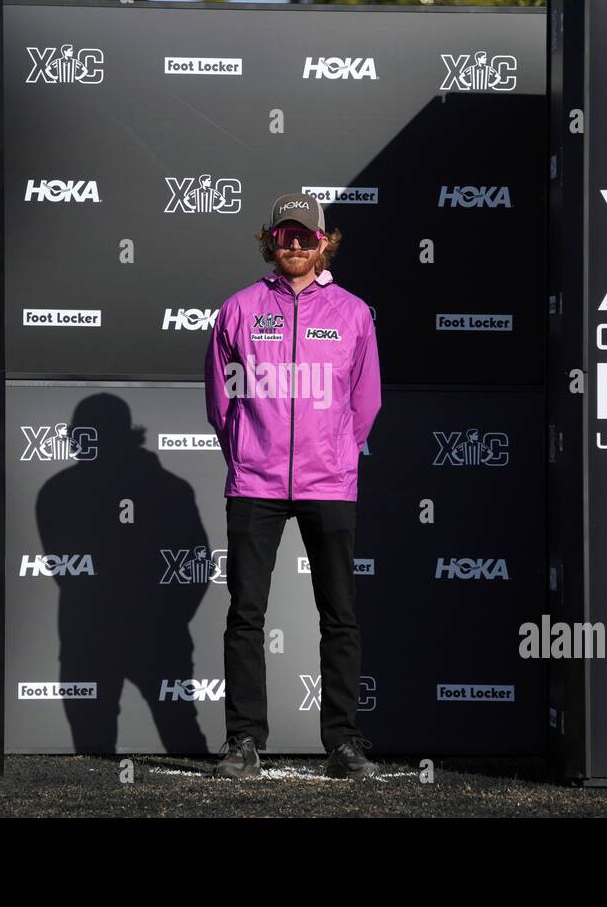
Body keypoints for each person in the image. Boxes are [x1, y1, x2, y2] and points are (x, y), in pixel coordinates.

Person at [204, 192, 382, 779]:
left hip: (328, 484)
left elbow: (365, 403)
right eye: (286, 236)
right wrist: (249, 452)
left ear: (324, 242)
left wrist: (334, 455)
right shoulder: (238, 310)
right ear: (270, 241)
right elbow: (221, 399)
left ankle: (344, 743)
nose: (297, 245)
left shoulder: (354, 314)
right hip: (254, 481)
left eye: (307, 236)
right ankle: (243, 742)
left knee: (339, 614)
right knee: (245, 615)